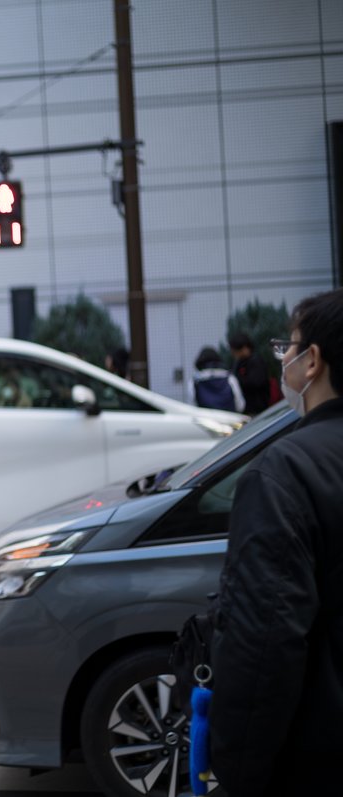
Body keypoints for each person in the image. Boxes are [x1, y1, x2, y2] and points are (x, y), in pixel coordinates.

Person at [209, 288, 343, 797]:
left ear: (313, 361)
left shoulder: (282, 471)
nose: (283, 357)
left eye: (288, 346)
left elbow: (263, 645)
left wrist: (239, 772)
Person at [228, 332, 271, 415]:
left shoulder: (256, 361)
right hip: (245, 409)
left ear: (244, 347)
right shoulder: (238, 364)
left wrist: (236, 381)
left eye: (236, 351)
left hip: (259, 408)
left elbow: (256, 382)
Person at [191, 346, 244, 412]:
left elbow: (193, 404)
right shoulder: (229, 377)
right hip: (229, 418)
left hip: (206, 420)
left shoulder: (195, 381)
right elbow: (240, 405)